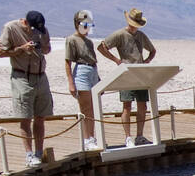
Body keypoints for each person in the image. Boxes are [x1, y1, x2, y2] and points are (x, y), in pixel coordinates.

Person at [0, 10, 53, 167]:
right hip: (22, 77)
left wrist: (42, 48)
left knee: (41, 116)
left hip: (41, 76)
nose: (36, 32)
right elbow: (1, 52)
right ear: (26, 23)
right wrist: (21, 49)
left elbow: (47, 49)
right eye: (33, 29)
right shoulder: (10, 28)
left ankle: (39, 152)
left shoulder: (42, 31)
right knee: (25, 117)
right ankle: (29, 155)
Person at [97, 8, 156, 146]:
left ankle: (139, 136)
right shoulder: (119, 34)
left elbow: (153, 51)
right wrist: (117, 60)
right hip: (126, 73)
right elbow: (102, 47)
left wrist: (146, 62)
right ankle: (128, 137)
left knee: (142, 105)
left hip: (140, 74)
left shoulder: (141, 36)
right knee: (127, 106)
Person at [65, 10, 100, 150]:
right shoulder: (72, 39)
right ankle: (87, 139)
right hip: (81, 71)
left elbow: (93, 60)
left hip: (92, 71)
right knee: (85, 107)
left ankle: (92, 136)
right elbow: (68, 62)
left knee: (93, 107)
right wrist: (70, 82)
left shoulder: (89, 41)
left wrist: (98, 78)